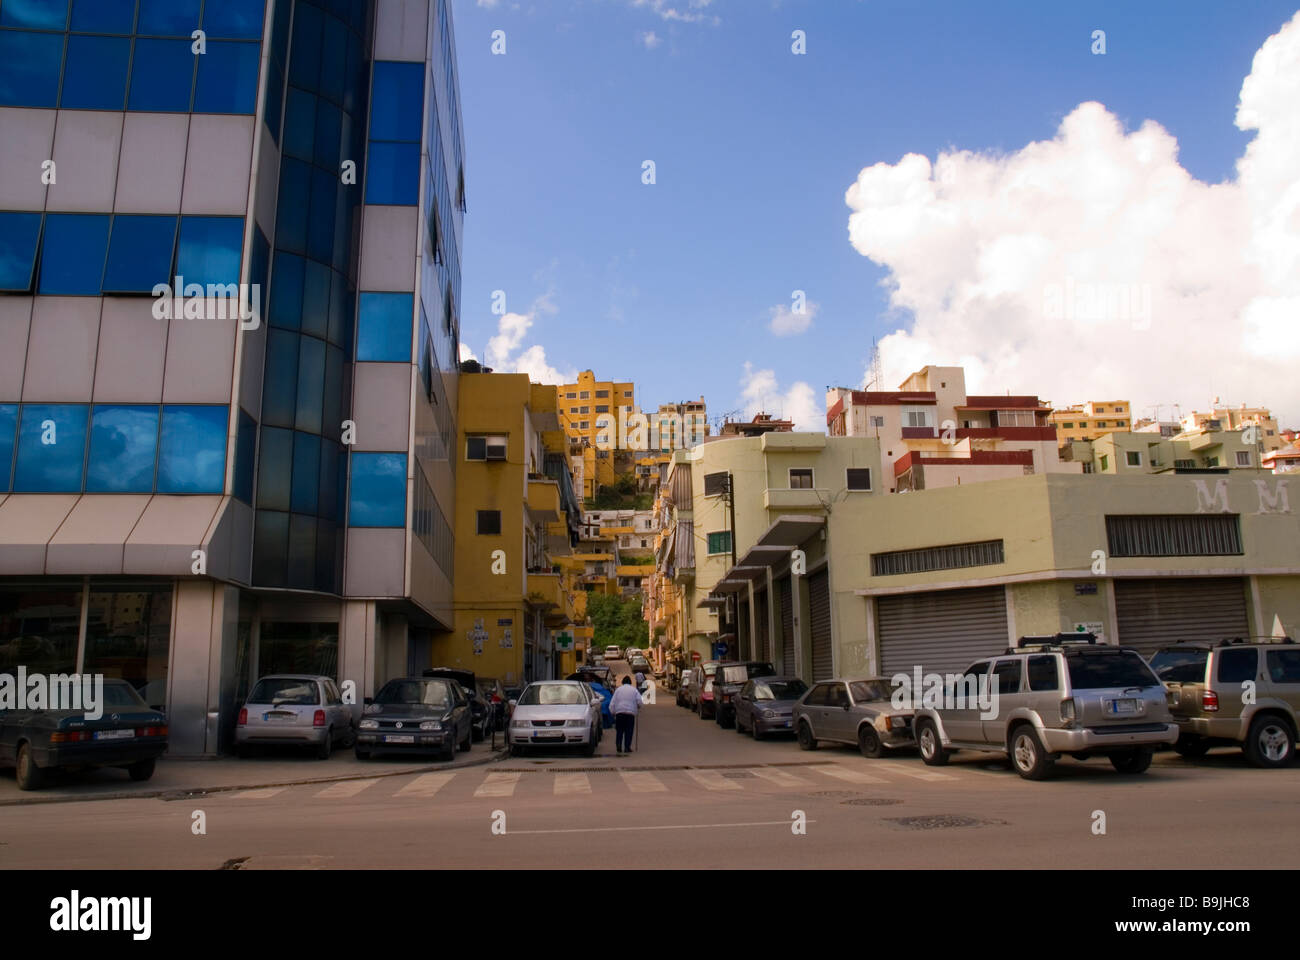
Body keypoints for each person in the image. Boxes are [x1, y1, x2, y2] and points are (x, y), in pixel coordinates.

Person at [609, 675, 641, 755]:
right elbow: (639, 701)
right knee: (629, 731)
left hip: (619, 713)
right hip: (630, 713)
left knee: (619, 730)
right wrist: (638, 706)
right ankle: (627, 747)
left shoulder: (618, 690)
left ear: (622, 682)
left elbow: (612, 703)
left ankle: (619, 745)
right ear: (630, 682)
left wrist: (613, 713)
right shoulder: (634, 690)